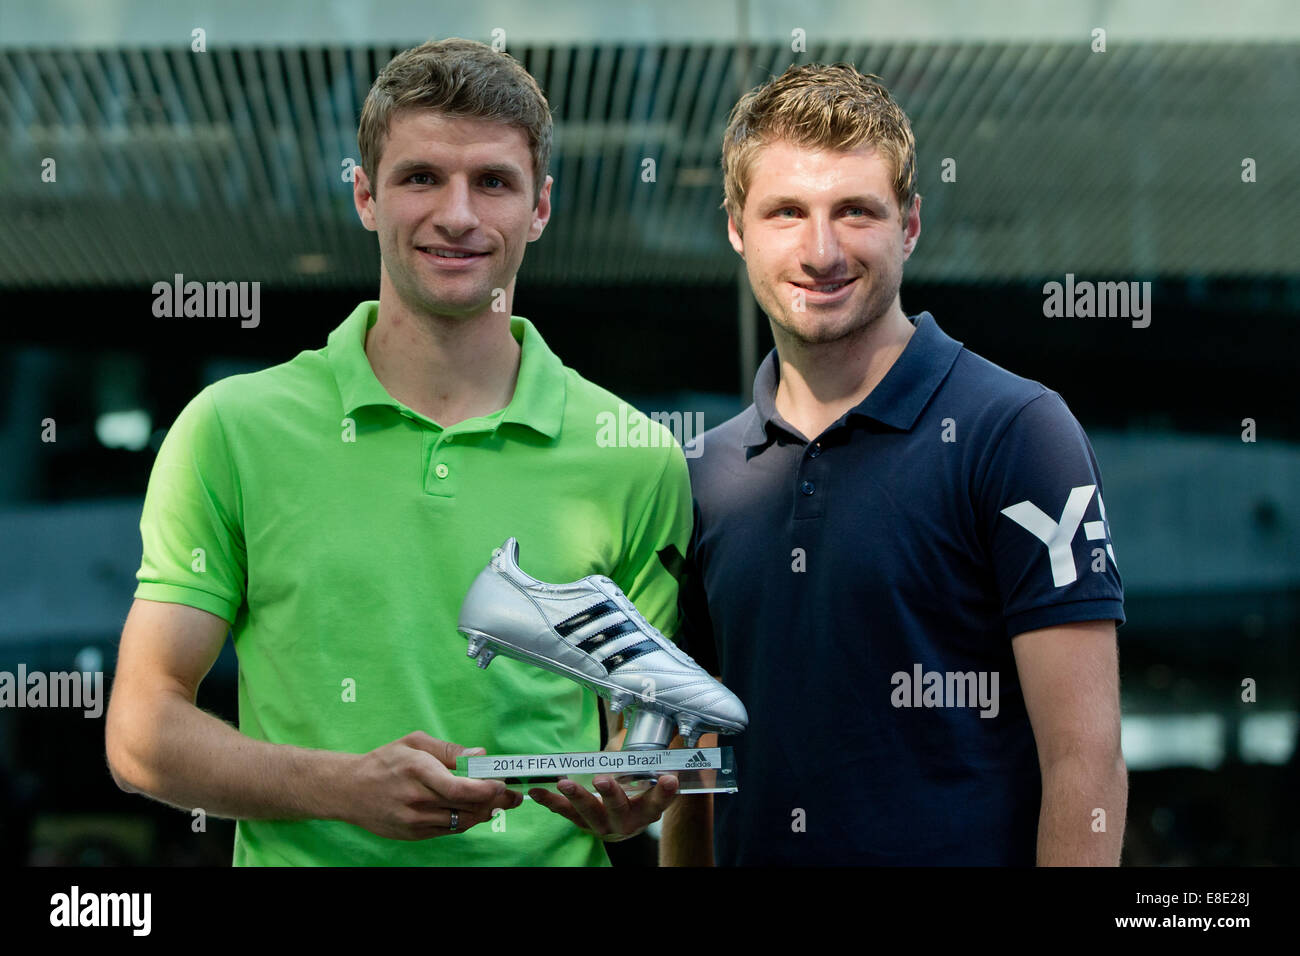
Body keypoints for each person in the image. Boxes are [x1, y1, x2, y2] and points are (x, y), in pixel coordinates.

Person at [106, 38, 688, 866]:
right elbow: (140, 733)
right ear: (365, 197)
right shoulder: (230, 430)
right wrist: (341, 788)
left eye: (492, 181)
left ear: (541, 207)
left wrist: (635, 798)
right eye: (421, 178)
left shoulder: (635, 455)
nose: (457, 215)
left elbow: (642, 737)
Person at [661, 63, 1127, 865]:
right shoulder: (703, 476)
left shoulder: (1017, 434)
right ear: (737, 226)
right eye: (786, 213)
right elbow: (698, 772)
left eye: (855, 212)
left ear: (909, 226)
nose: (820, 249)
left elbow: (1085, 765)